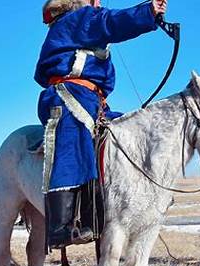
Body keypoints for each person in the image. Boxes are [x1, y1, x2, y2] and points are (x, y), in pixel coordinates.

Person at [35, 0, 167, 249]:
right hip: (67, 95)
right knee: (73, 137)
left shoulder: (83, 27)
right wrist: (147, 11)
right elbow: (110, 22)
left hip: (95, 100)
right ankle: (60, 227)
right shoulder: (77, 19)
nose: (98, 2)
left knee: (129, 128)